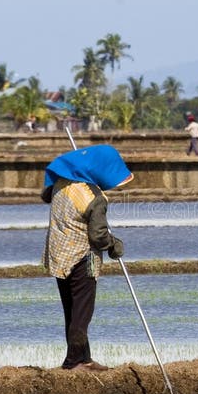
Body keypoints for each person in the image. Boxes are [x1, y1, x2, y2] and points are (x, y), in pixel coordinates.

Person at [41, 144, 134, 371]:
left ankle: (84, 358)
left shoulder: (60, 184)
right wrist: (115, 245)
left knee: (72, 310)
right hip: (84, 258)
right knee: (82, 312)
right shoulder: (95, 198)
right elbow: (99, 237)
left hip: (59, 255)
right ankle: (73, 362)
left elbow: (45, 196)